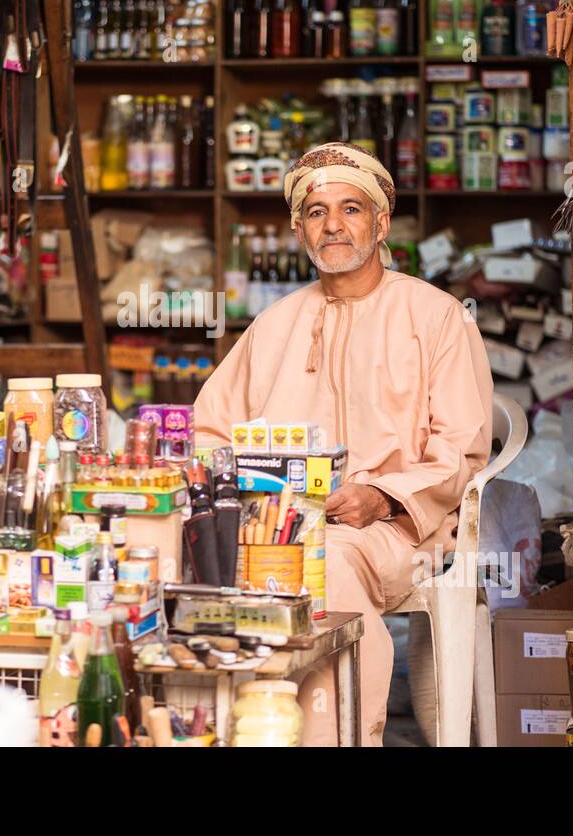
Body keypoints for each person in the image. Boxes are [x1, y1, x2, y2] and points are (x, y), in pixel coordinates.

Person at [193, 142, 493, 746]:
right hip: (272, 524)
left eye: (351, 209)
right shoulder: (274, 323)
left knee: (323, 561)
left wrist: (382, 497)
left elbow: (462, 447)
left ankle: (337, 737)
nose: (333, 225)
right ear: (298, 228)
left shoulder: (435, 316)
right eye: (316, 211)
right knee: (184, 556)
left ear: (380, 224)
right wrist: (231, 496)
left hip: (395, 530)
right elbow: (209, 430)